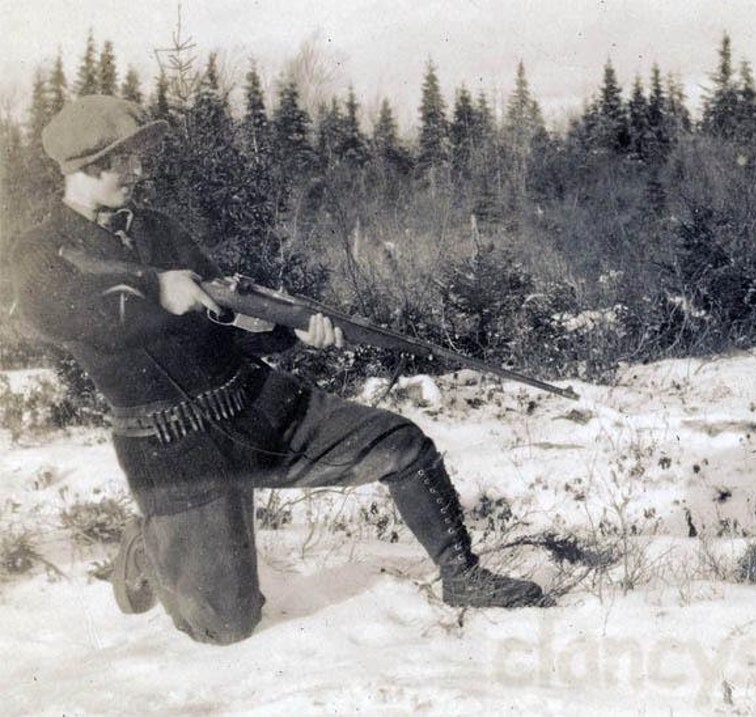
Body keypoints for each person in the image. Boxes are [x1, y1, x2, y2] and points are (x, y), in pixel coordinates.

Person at [11, 95, 546, 645]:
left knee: (401, 443)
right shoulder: (40, 251)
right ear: (86, 163)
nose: (139, 171)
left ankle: (462, 575)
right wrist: (155, 288)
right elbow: (52, 313)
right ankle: (150, 543)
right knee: (225, 626)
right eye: (125, 161)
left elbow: (225, 321)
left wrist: (290, 332)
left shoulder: (160, 229)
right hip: (174, 451)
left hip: (256, 406)